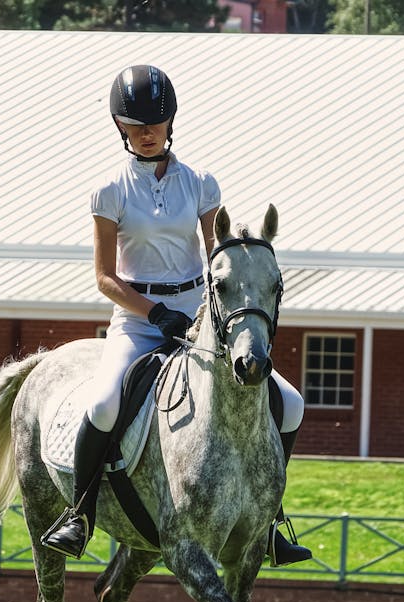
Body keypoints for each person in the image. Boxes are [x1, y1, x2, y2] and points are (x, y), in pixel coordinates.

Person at [41, 64, 310, 567]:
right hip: (138, 320)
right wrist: (154, 312)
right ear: (120, 127)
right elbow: (104, 277)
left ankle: (271, 519)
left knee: (289, 403)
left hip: (198, 314)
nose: (147, 134)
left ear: (170, 122)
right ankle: (79, 514)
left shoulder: (201, 184)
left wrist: (218, 300)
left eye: (155, 124)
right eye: (135, 125)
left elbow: (218, 254)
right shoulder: (110, 191)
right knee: (102, 405)